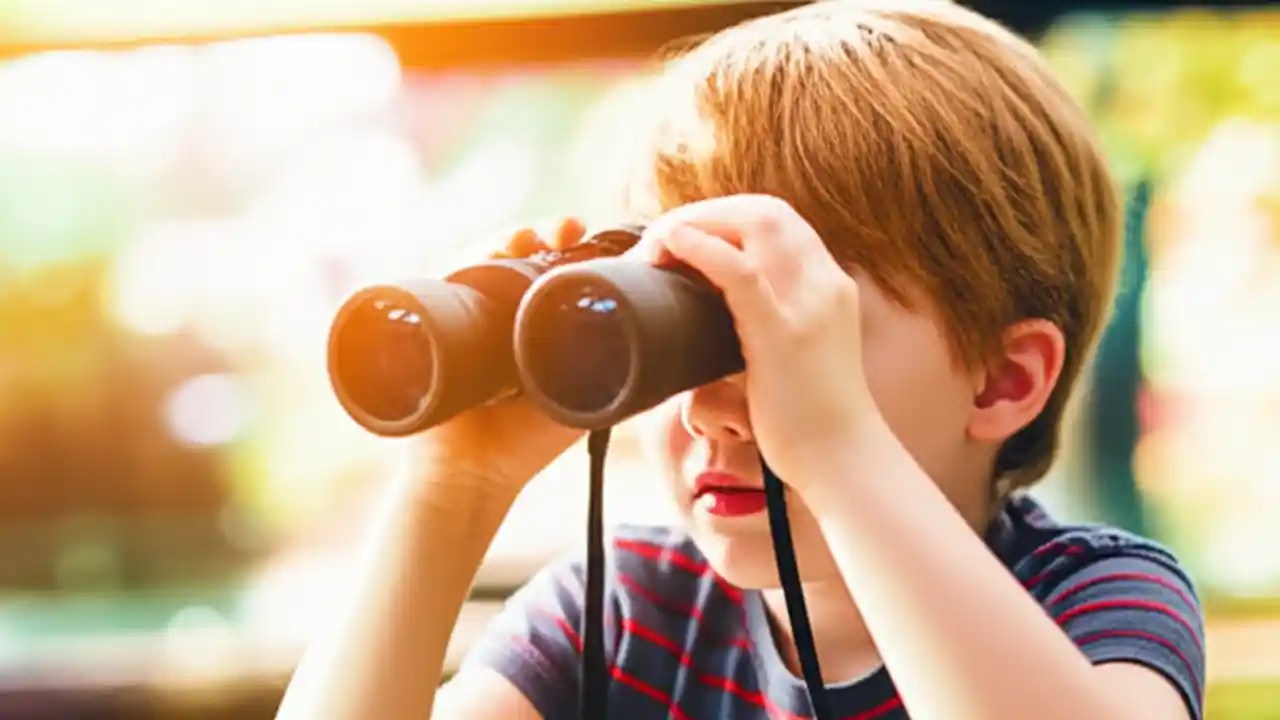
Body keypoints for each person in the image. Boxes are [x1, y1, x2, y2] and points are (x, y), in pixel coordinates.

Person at [275, 1, 1205, 718]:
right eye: (684, 327)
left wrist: (832, 445)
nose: (709, 407)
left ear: (1004, 380)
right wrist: (451, 488)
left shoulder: (1096, 602)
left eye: (789, 330)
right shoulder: (629, 610)